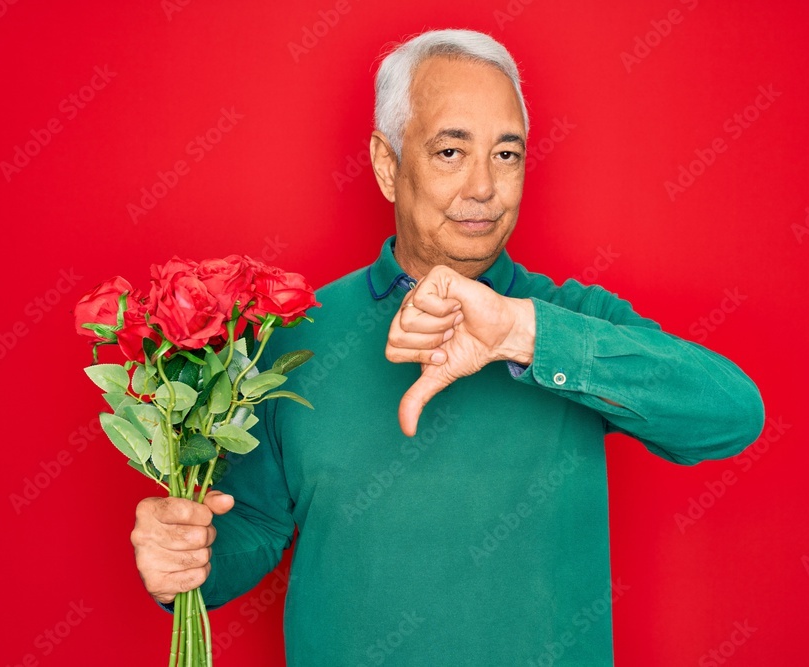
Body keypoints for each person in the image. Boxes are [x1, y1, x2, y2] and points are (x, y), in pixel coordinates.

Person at [131, 28, 764, 665]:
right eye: (450, 152)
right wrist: (186, 557)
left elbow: (731, 416)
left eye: (507, 154)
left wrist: (525, 333)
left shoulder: (570, 319)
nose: (485, 187)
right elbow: (259, 525)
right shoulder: (290, 336)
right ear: (386, 163)